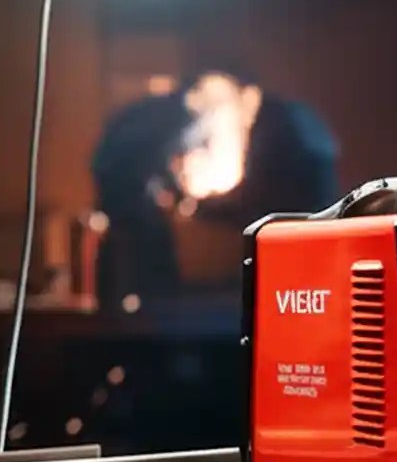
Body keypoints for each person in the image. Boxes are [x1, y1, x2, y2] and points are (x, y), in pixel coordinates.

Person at [91, 66, 339, 309]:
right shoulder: (154, 128)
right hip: (300, 252)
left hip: (300, 253)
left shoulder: (279, 131)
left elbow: (259, 202)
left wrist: (197, 205)